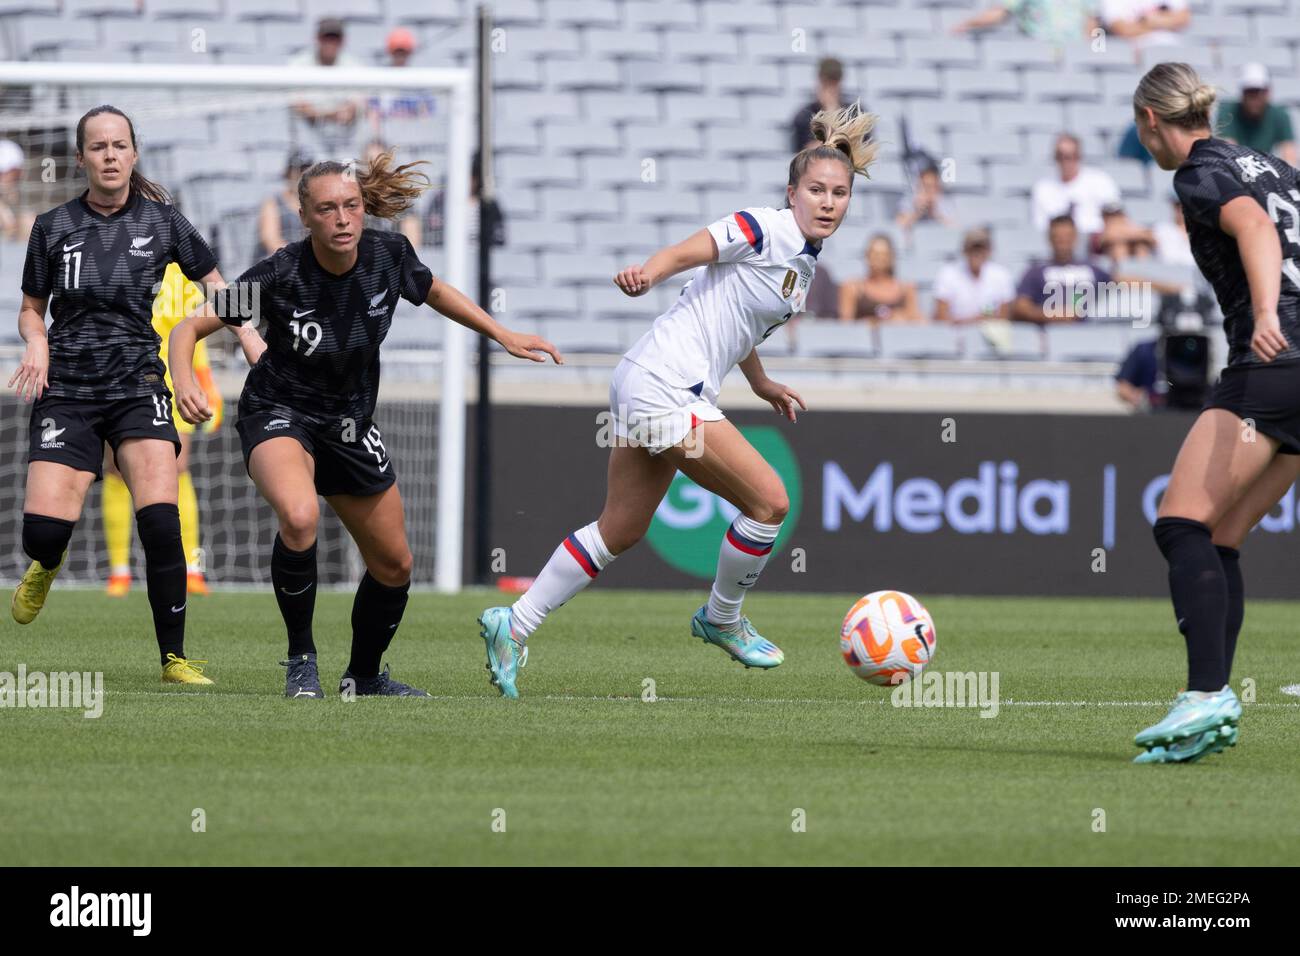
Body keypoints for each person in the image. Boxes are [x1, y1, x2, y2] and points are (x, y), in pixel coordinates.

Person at [477, 106, 879, 699]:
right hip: (666, 388)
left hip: (643, 381)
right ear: (791, 194)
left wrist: (761, 382)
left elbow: (734, 323)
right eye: (815, 190)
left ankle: (514, 624)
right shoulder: (769, 228)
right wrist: (650, 271)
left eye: (839, 193)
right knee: (769, 502)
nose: (827, 201)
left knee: (621, 528)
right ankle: (721, 618)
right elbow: (702, 246)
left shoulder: (800, 262)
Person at [170, 150, 560, 700]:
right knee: (301, 517)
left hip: (350, 424)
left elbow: (436, 291)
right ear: (304, 217)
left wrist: (502, 334)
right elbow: (189, 327)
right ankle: (301, 661)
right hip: (279, 411)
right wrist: (183, 379)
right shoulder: (278, 272)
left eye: (351, 206)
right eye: (327, 209)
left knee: (395, 563)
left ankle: (366, 675)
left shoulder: (388, 254)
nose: (343, 218)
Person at [8, 105, 257, 684]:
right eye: (99, 147)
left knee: (161, 522)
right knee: (43, 534)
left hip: (139, 383)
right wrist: (36, 344)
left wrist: (248, 336)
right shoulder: (53, 227)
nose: (111, 155)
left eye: (120, 145)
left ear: (134, 154)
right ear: (81, 159)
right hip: (67, 386)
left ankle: (173, 657)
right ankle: (45, 565)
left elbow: (218, 285)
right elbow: (29, 311)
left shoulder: (164, 223)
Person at [1129, 62, 1300, 764]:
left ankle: (1205, 696)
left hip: (1273, 361)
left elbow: (1256, 230)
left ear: (1149, 121)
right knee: (1221, 537)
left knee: (1179, 524)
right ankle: (1210, 702)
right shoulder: (1270, 164)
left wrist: (1264, 314)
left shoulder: (1197, 173)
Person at [103, 261, 227, 598]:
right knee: (116, 469)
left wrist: (206, 382)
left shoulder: (181, 273)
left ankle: (190, 568)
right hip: (119, 380)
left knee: (177, 467)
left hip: (172, 381)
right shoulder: (112, 262)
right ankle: (120, 571)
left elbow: (195, 332)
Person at [1012, 215, 1114, 323]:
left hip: (1089, 331)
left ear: (1075, 237)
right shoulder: (1035, 272)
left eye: (1067, 237)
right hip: (1051, 332)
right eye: (1058, 237)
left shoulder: (1092, 269)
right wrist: (1051, 315)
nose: (1063, 241)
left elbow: (1118, 283)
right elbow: (1020, 307)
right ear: (1049, 238)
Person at [288, 18, 362, 161]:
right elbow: (301, 108)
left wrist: (319, 113)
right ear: (317, 39)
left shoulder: (355, 67)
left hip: (344, 142)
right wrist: (333, 114)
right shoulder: (298, 65)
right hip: (307, 141)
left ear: (342, 41)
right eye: (326, 38)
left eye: (335, 39)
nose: (330, 43)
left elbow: (350, 112)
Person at [1030, 134, 1120, 238]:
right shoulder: (1043, 188)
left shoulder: (1100, 181)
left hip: (1096, 242)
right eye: (1060, 156)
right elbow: (1040, 226)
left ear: (1079, 156)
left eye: (1069, 156)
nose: (1064, 161)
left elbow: (1115, 217)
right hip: (1059, 246)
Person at [1218, 63, 1298, 169]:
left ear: (1268, 92)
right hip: (1237, 172)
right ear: (1242, 93)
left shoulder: (1280, 115)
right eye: (1250, 92)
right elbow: (1228, 150)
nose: (1255, 97)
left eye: (1259, 92)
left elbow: (1289, 155)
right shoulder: (1228, 112)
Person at [931, 227, 1015, 324]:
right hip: (955, 335)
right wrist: (981, 318)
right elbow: (942, 317)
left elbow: (1003, 316)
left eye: (981, 248)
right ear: (964, 250)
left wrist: (973, 320)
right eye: (973, 248)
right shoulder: (948, 274)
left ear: (989, 251)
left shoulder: (1001, 275)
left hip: (989, 335)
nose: (977, 253)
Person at [838, 234, 921, 323]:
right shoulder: (853, 288)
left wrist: (901, 317)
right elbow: (845, 323)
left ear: (891, 257)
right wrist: (873, 322)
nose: (878, 258)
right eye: (874, 254)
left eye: (883, 254)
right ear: (867, 256)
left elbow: (917, 321)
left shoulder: (906, 288)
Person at [951, 0, 1096, 46]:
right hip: (1039, 49)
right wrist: (968, 24)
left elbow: (1092, 24)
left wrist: (1096, 52)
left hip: (1073, 50)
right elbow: (1001, 13)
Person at [789, 58, 851, 154]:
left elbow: (858, 153)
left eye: (834, 82)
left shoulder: (856, 113)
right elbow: (806, 155)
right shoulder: (804, 116)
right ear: (819, 81)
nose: (830, 87)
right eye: (826, 82)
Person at [258, 149, 312, 258]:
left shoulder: (314, 203)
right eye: (298, 171)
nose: (302, 175)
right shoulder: (273, 202)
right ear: (287, 173)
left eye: (306, 171)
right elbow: (270, 239)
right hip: (280, 262)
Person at [1097, 0, 1190, 53]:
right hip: (1136, 54)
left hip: (1173, 52)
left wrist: (1148, 22)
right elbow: (1123, 29)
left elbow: (1183, 18)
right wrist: (1162, 21)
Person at [894, 163, 955, 231]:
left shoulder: (945, 202)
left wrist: (934, 213)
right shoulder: (908, 201)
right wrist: (917, 212)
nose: (928, 190)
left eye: (932, 186)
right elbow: (898, 226)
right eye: (924, 186)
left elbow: (955, 228)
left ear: (938, 187)